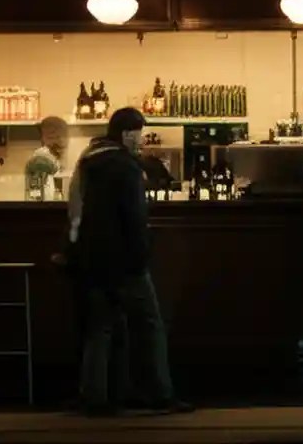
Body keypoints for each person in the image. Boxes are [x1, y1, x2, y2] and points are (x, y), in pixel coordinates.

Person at [67, 107, 192, 416]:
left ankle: (94, 397)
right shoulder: (126, 166)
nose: (141, 140)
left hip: (92, 257)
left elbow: (75, 209)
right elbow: (135, 216)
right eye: (139, 132)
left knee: (101, 327)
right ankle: (160, 393)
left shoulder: (87, 160)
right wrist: (141, 255)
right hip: (124, 259)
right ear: (126, 133)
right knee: (150, 324)